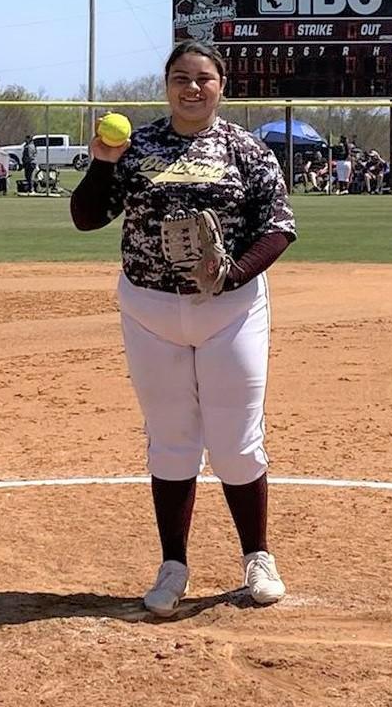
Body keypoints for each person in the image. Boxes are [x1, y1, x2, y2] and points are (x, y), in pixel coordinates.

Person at [70, 40, 296, 617]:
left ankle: (258, 556)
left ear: (222, 85)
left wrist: (232, 273)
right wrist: (102, 162)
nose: (191, 88)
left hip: (231, 309)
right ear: (166, 85)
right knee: (171, 439)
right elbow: (87, 217)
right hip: (148, 307)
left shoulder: (245, 148)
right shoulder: (138, 145)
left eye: (203, 78)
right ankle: (173, 566)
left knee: (236, 440)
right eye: (180, 78)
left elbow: (278, 228)